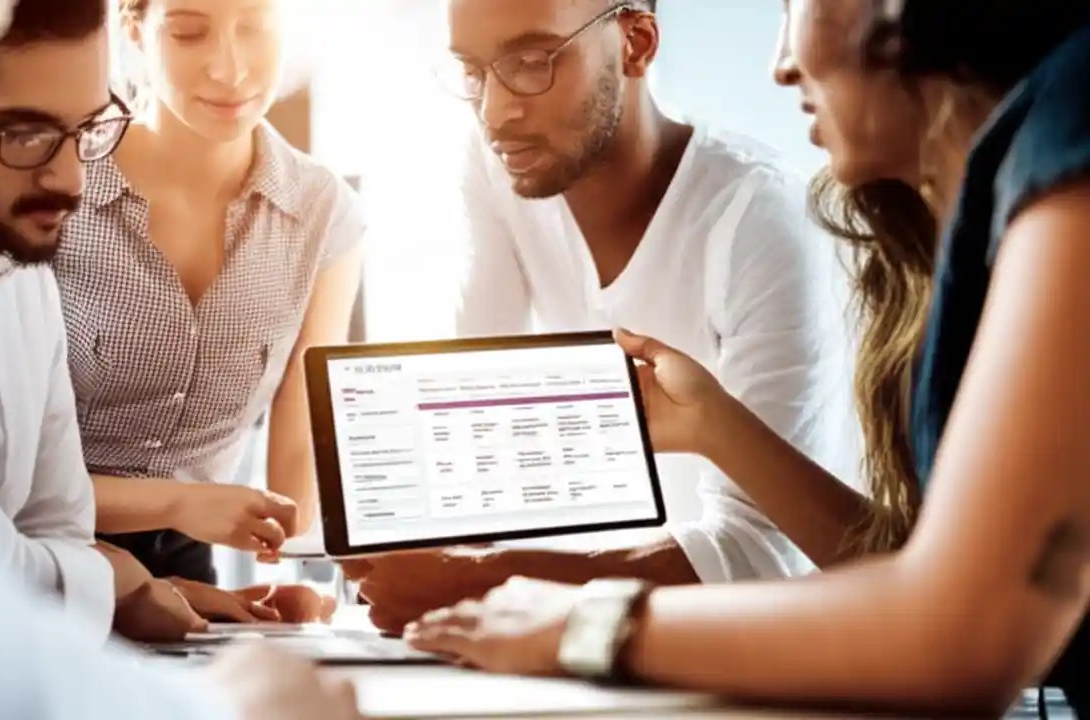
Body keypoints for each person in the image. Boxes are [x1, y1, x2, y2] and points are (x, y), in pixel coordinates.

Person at [404, 0, 1090, 715]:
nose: (782, 63)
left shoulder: (1069, 126)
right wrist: (712, 424)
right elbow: (905, 565)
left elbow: (963, 634)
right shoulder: (977, 193)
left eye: (800, 4)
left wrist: (586, 623)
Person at [0, 0, 359, 718]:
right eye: (28, 135)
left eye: (89, 130)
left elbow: (55, 529)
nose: (71, 180)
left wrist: (132, 588)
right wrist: (118, 587)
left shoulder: (23, 273)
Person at [345, 0, 855, 634]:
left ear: (635, 43)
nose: (494, 113)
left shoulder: (760, 218)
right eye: (473, 72)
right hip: (578, 630)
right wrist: (404, 543)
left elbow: (767, 556)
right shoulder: (501, 163)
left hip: (755, 643)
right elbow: (471, 411)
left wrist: (478, 578)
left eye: (531, 62)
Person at [53, 0, 363, 617]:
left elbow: (298, 474)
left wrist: (294, 581)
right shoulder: (58, 185)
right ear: (133, 27)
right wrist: (180, 505)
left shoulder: (322, 211)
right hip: (32, 560)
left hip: (189, 577)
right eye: (190, 33)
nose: (231, 69)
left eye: (255, 29)